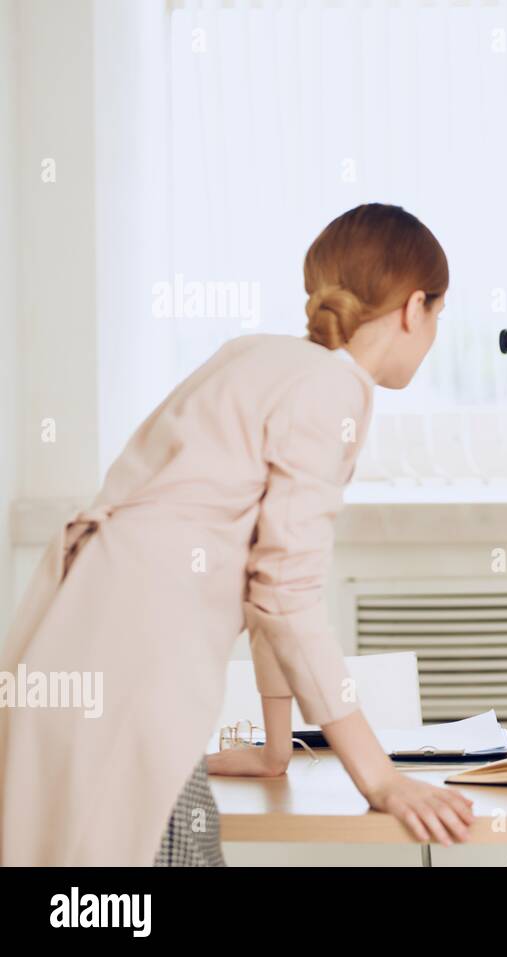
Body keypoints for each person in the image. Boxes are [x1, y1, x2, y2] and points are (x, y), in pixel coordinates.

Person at [0, 203, 475, 865]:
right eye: (439, 317)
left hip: (74, 645)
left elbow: (259, 577)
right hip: (138, 674)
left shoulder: (259, 357)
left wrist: (278, 747)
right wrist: (381, 777)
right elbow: (287, 594)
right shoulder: (335, 393)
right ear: (414, 307)